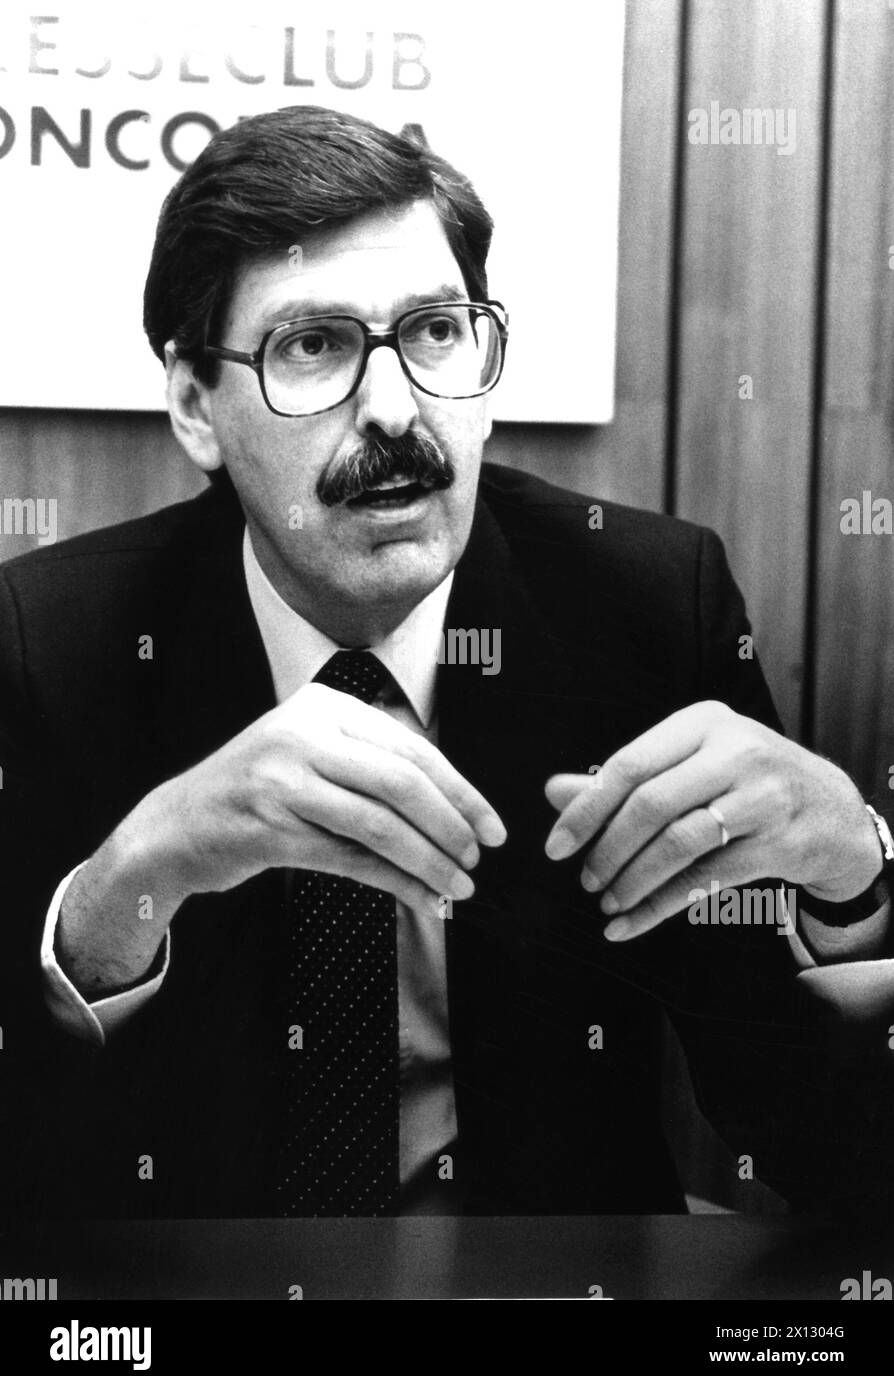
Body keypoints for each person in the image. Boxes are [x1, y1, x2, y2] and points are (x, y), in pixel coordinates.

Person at [2, 105, 893, 1222]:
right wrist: (129, 882)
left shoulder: (646, 609)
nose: (392, 409)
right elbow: (33, 1161)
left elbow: (815, 1146)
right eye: (311, 346)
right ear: (195, 404)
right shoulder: (57, 642)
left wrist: (850, 888)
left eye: (432, 330)